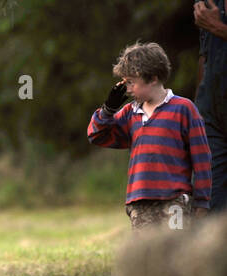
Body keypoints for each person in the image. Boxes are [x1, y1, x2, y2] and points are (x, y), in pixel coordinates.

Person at [87, 41, 211, 231]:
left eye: (131, 82)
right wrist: (108, 109)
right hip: (140, 201)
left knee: (175, 250)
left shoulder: (184, 109)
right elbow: (96, 135)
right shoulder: (130, 113)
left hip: (175, 201)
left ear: (152, 78)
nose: (127, 89)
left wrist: (202, 201)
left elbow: (202, 159)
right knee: (146, 256)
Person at [192, 0, 227, 212]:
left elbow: (216, 33)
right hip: (212, 111)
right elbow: (203, 55)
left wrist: (220, 28)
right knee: (212, 196)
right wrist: (195, 108)